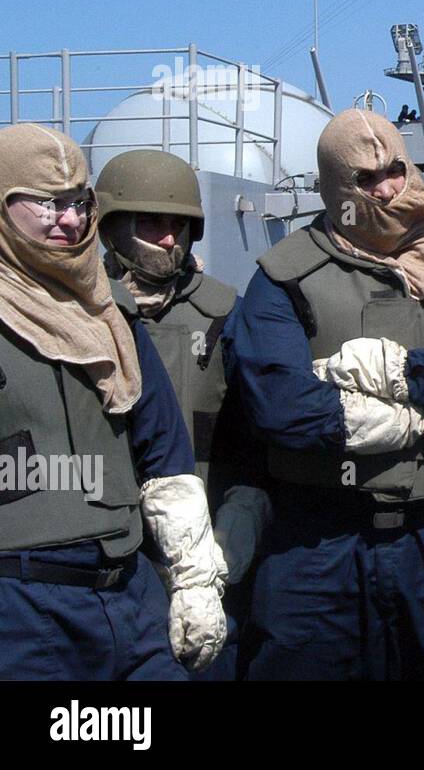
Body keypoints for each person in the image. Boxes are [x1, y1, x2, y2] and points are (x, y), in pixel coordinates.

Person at [225, 108, 424, 680]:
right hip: (318, 537)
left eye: (396, 170)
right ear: (336, 187)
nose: (387, 189)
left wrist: (384, 368)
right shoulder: (283, 275)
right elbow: (283, 408)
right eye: (366, 179)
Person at [0, 124, 226, 679]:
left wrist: (194, 580)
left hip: (128, 594)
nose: (71, 219)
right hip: (20, 610)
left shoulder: (111, 314)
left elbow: (164, 451)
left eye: (80, 203)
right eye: (48, 204)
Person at [96, 148, 271, 679]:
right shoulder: (73, 316)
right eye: (152, 223)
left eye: (180, 225)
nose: (170, 239)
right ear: (111, 228)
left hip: (207, 566)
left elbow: (256, 458)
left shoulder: (225, 316)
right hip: (105, 571)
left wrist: (223, 560)